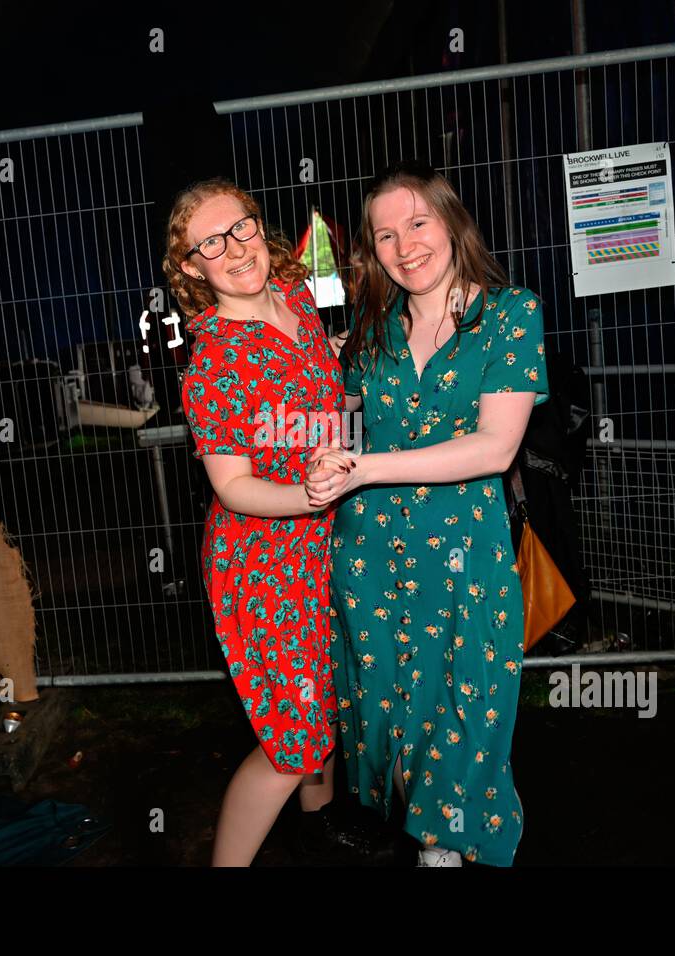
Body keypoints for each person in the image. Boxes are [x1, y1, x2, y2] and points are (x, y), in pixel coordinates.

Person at [306, 160, 550, 866]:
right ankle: (421, 836)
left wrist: (366, 469)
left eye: (417, 222)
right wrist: (326, 449)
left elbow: (495, 448)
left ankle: (449, 840)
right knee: (383, 708)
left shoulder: (509, 313)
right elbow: (348, 423)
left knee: (469, 704)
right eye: (384, 235)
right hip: (369, 553)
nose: (404, 245)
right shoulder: (370, 329)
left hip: (464, 551)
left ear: (452, 223)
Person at [168, 178, 381, 866]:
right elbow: (234, 488)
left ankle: (316, 829)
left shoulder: (294, 304)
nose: (233, 247)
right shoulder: (213, 362)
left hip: (319, 545)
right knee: (291, 741)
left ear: (261, 227)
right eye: (210, 242)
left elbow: (317, 398)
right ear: (192, 266)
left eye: (242, 227)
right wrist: (311, 498)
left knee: (319, 705)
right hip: (263, 561)